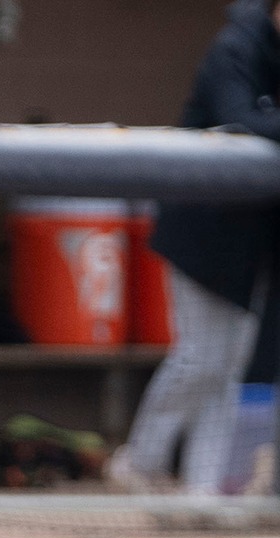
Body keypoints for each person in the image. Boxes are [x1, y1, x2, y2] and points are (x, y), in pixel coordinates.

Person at [111, 0, 280, 496]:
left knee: (228, 370)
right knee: (201, 359)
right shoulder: (236, 46)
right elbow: (239, 119)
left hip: (251, 239)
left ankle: (202, 492)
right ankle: (140, 460)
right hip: (202, 229)